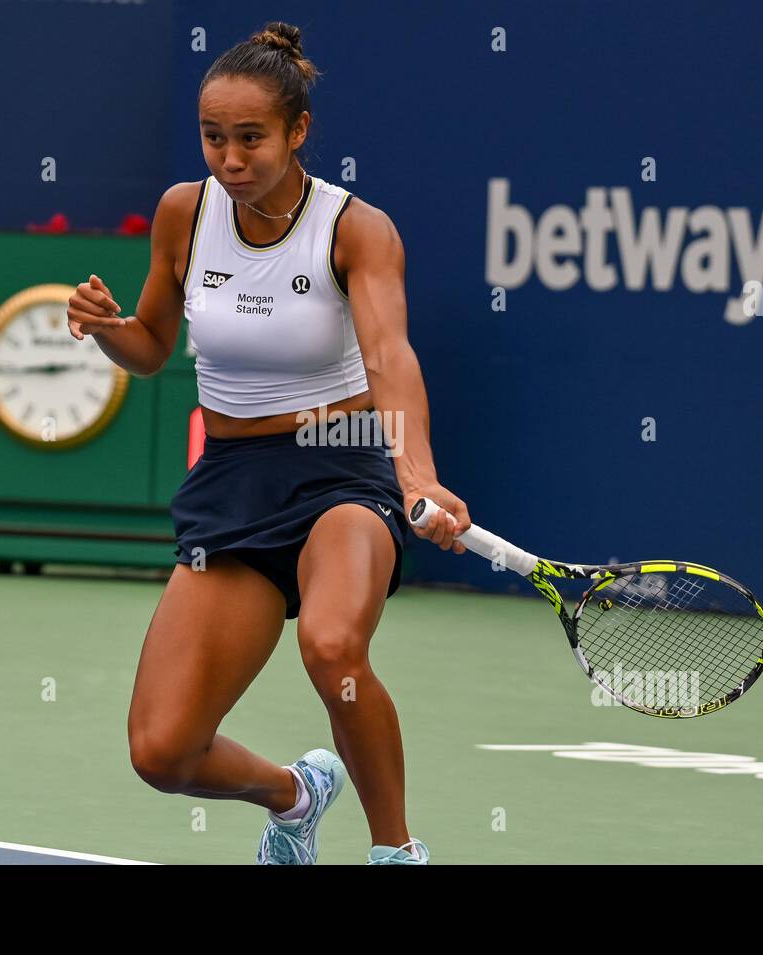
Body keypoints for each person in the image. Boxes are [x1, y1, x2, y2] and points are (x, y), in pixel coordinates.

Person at [67, 21, 471, 864]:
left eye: (251, 137)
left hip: (344, 474)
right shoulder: (184, 212)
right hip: (232, 483)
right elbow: (150, 346)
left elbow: (391, 355)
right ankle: (294, 793)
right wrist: (108, 331)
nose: (230, 157)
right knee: (162, 751)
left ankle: (396, 849)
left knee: (330, 645)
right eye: (214, 137)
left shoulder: (357, 229)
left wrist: (417, 474)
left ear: (298, 132)